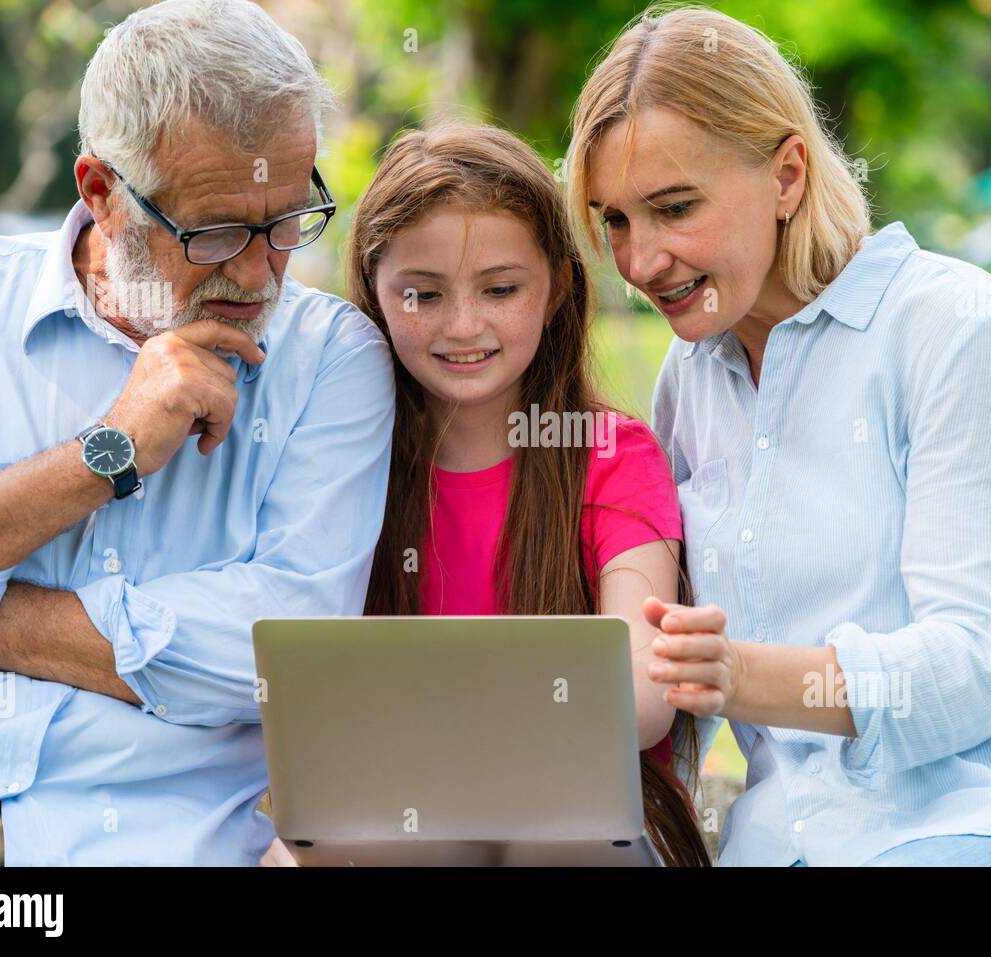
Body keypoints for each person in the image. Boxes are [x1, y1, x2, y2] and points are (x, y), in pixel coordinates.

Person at [565, 4, 991, 866]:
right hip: (798, 839)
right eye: (616, 222)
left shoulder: (954, 328)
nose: (639, 261)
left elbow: (972, 667)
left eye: (673, 208)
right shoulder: (690, 383)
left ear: (787, 175)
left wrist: (740, 674)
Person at [0, 0, 394, 865]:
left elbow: (291, 650)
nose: (259, 271)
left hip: (175, 842)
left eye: (287, 221)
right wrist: (107, 455)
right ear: (101, 193)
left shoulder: (329, 359)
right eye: (215, 234)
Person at [260, 123, 709, 867]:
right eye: (422, 294)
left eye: (500, 289)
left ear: (557, 286)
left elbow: (645, 693)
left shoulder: (608, 454)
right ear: (374, 289)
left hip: (593, 822)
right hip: (402, 811)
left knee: (550, 835)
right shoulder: (342, 458)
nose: (462, 325)